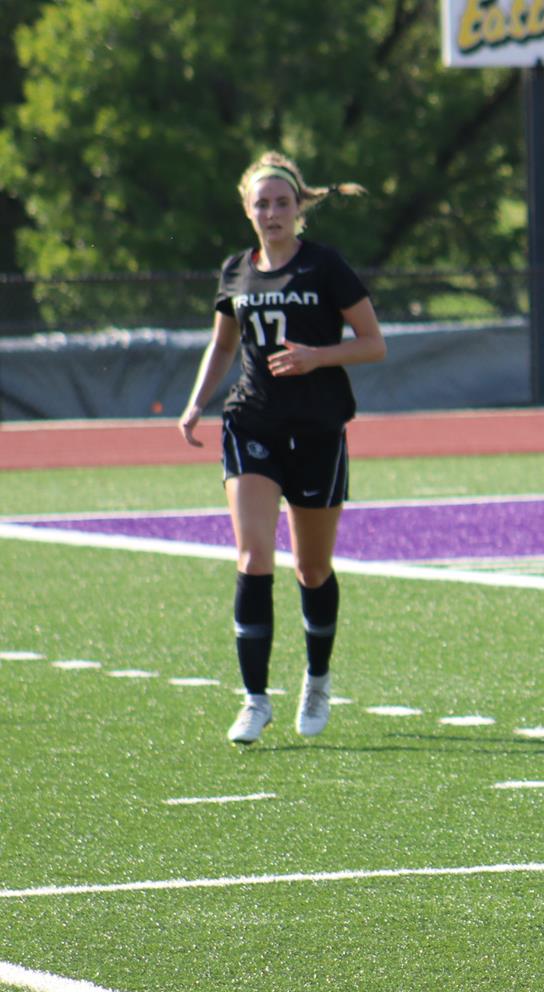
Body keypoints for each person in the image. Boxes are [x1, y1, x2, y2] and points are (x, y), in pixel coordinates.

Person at [177, 152, 384, 745]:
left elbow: (374, 344)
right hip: (252, 424)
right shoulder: (235, 271)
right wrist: (196, 403)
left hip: (318, 428)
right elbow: (222, 347)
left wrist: (319, 356)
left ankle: (317, 680)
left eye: (282, 203)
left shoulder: (325, 267)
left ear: (299, 210)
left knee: (312, 567)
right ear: (247, 210)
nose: (272, 213)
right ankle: (255, 699)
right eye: (261, 203)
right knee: (252, 559)